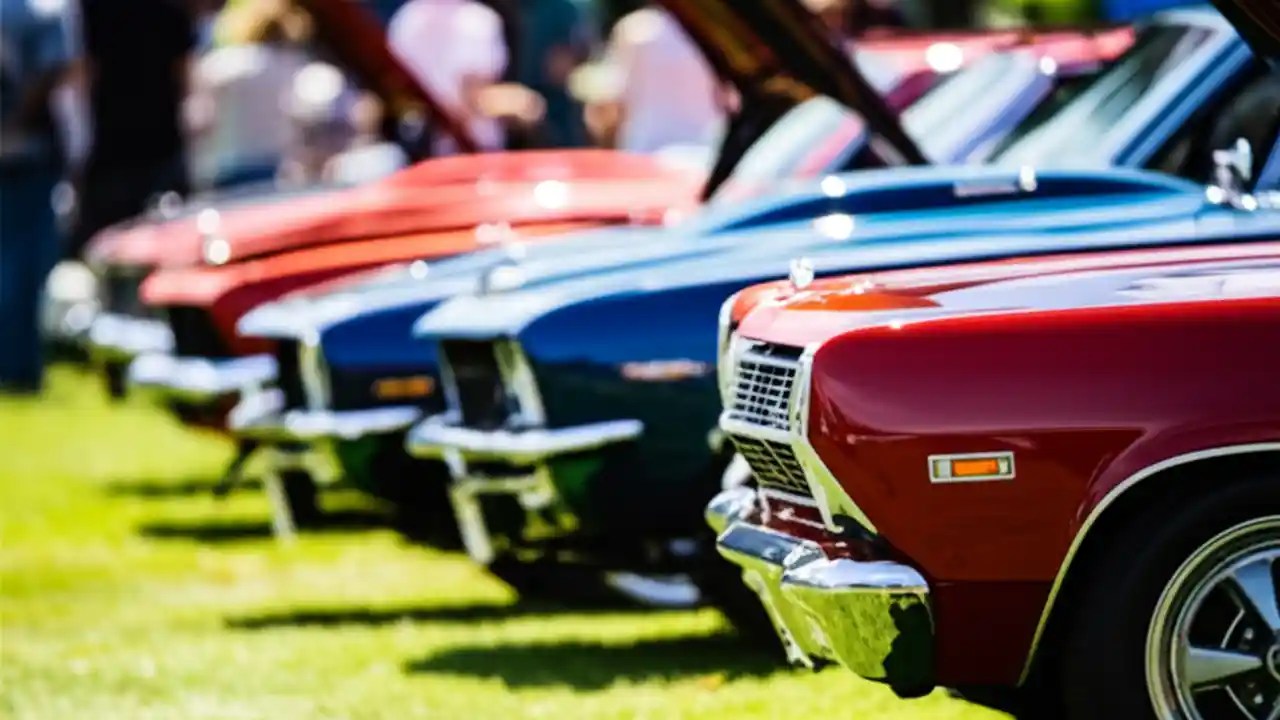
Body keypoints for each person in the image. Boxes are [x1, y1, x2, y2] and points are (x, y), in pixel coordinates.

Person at [71, 0, 197, 257]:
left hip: (112, 151)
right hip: (156, 146)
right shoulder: (170, 9)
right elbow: (184, 81)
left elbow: (83, 82)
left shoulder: (90, 11)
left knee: (106, 256)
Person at [0, 0, 77, 393]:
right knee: (24, 266)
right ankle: (18, 367)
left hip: (19, 152)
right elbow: (54, 72)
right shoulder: (39, 14)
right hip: (27, 152)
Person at [185, 0, 314, 190]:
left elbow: (198, 118)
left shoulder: (222, 65)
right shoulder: (293, 65)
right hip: (277, 167)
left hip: (227, 168)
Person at [583, 3, 722, 155]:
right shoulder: (718, 33)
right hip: (704, 152)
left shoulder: (636, 31)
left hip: (644, 153)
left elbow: (610, 102)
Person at [386, 0, 508, 154]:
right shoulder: (406, 21)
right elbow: (474, 99)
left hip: (472, 149)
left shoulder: (405, 19)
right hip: (424, 150)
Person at [512, 0, 592, 147]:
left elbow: (559, 68)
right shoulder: (514, 6)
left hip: (555, 117)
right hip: (515, 120)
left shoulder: (561, 9)